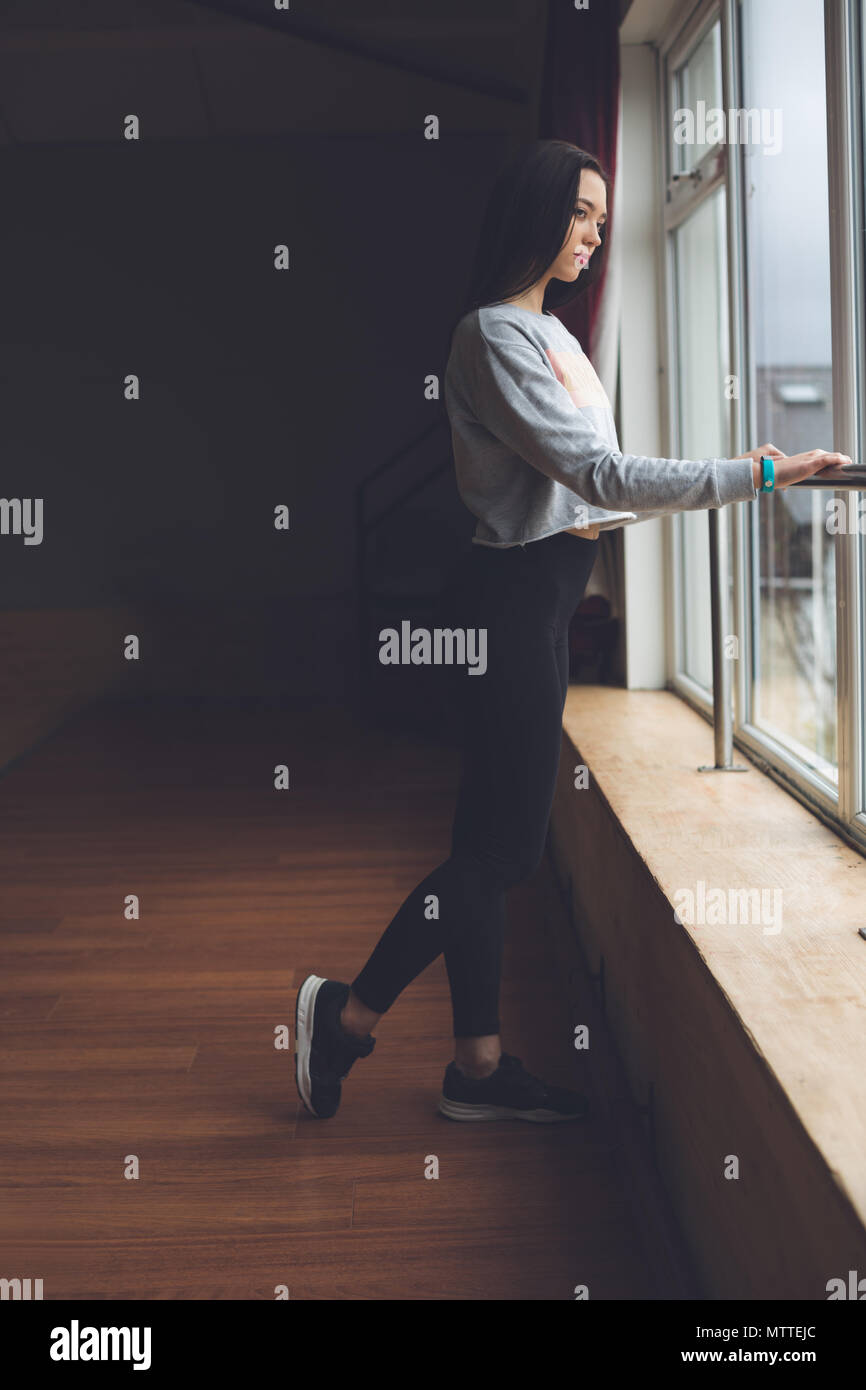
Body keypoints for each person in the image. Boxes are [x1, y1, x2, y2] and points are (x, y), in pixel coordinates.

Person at [295, 139, 851, 1124]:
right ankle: (346, 1016)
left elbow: (597, 480)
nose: (594, 235)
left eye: (600, 217)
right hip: (513, 595)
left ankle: (474, 1068)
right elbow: (599, 477)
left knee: (489, 843)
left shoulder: (551, 336)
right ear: (535, 212)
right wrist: (754, 475)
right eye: (582, 213)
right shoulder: (491, 338)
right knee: (498, 854)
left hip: (546, 591)